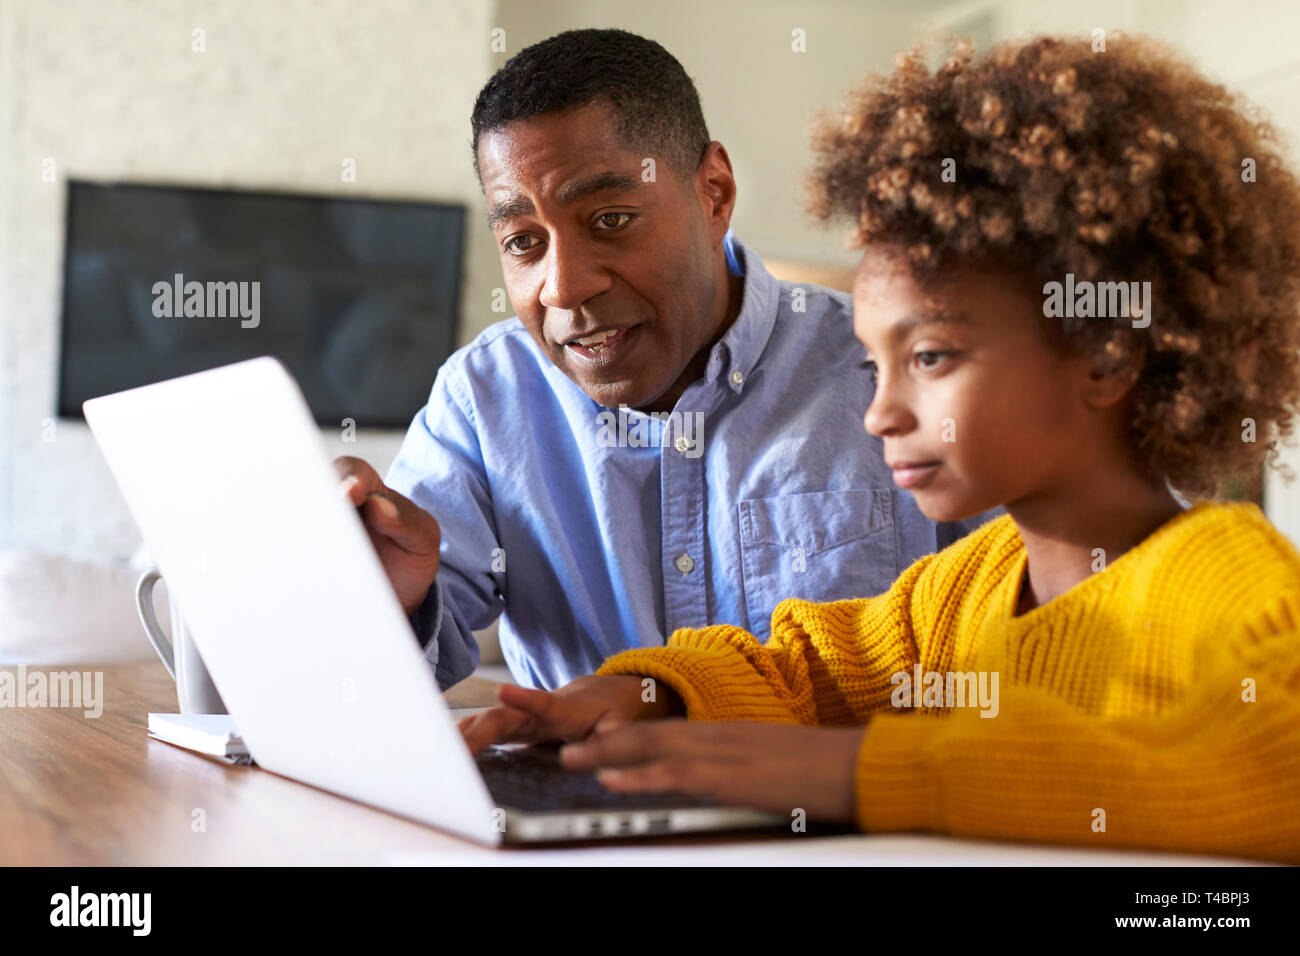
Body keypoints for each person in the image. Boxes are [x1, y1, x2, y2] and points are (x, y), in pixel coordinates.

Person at [459, 33, 1300, 864]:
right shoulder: (964, 588)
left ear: (1106, 351)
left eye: (929, 357)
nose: (880, 413)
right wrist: (653, 689)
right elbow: (811, 668)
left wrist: (869, 770)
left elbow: (1270, 773)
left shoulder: (1226, 578)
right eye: (875, 362)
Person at [336, 28, 993, 691]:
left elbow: (1017, 637)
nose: (563, 287)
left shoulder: (886, 373)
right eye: (523, 241)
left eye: (611, 220)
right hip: (582, 796)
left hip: (850, 792)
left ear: (714, 194)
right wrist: (391, 603)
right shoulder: (483, 399)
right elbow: (387, 673)